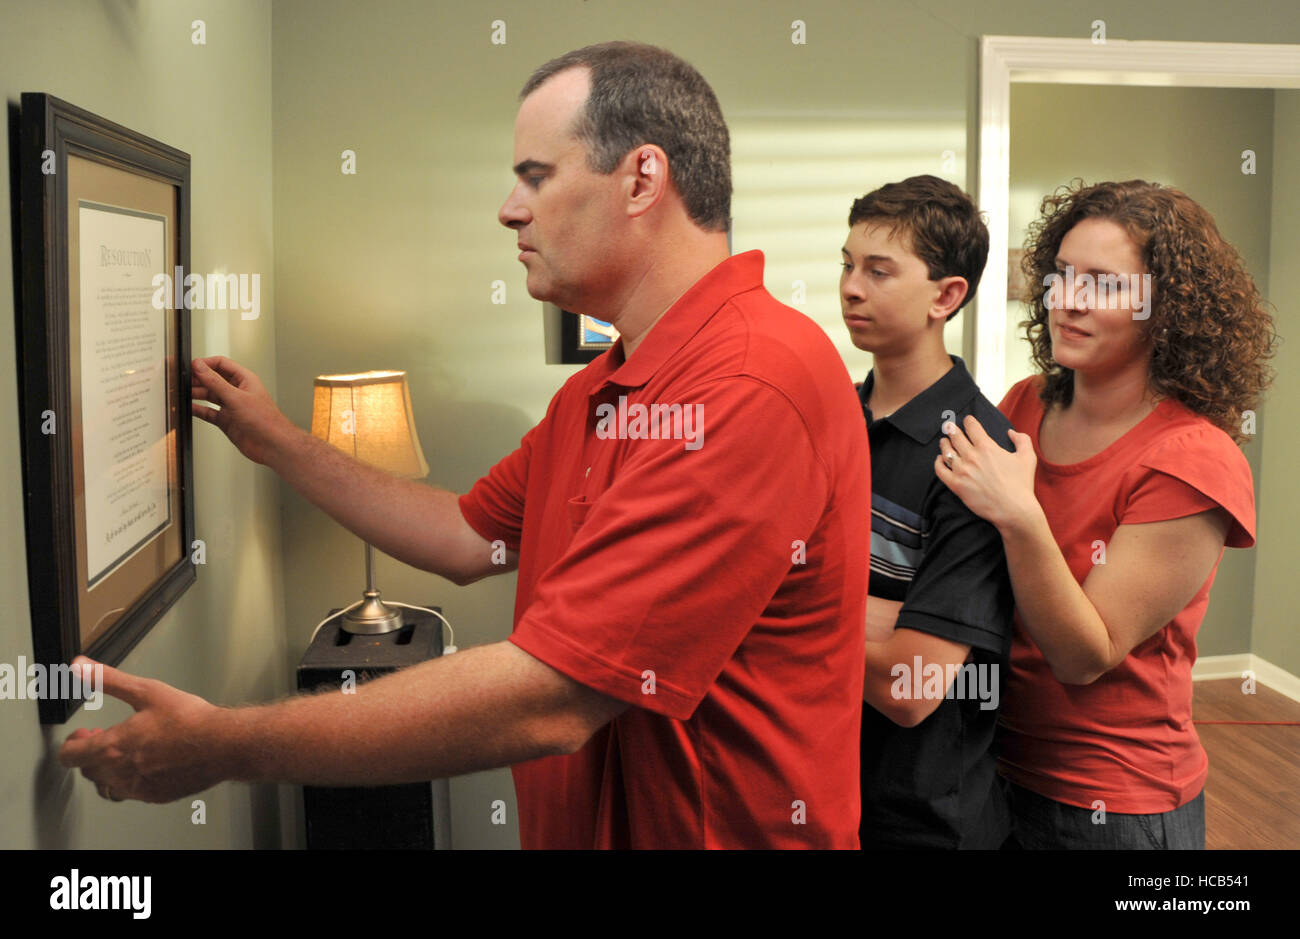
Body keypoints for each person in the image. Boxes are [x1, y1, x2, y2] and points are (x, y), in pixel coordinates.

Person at [59, 42, 871, 849]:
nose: (509, 209)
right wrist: (276, 441)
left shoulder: (752, 383)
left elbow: (551, 697)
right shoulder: (597, 393)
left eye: (537, 176)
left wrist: (216, 746)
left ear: (641, 179)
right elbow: (464, 534)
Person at [935, 179, 1275, 849]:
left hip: (1113, 805)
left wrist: (1019, 513)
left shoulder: (1193, 460)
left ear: (1167, 311)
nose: (1069, 300)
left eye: (1105, 284)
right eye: (1061, 275)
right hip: (990, 765)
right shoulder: (1026, 402)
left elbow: (1082, 653)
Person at [841, 176, 1016, 849]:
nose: (852, 287)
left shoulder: (976, 450)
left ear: (946, 296)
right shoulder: (830, 420)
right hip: (829, 791)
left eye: (879, 271)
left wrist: (782, 604)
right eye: (848, 265)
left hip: (926, 822)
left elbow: (912, 684)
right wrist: (878, 616)